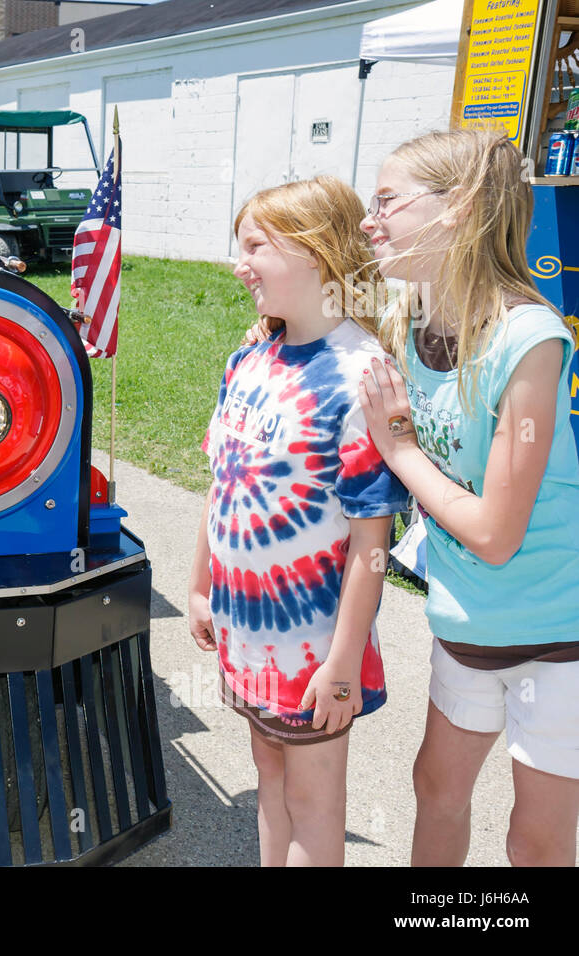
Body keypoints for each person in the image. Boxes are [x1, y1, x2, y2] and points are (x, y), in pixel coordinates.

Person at [357, 128, 579, 866]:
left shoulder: (530, 338)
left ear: (459, 210)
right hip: (468, 622)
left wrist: (402, 452)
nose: (369, 218)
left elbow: (494, 533)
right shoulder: (410, 318)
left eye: (387, 200)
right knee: (436, 791)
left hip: (556, 637)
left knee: (535, 841)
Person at [188, 176, 409, 866]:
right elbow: (219, 484)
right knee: (270, 783)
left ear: (315, 253)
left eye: (255, 244)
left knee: (316, 808)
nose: (238, 262)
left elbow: (372, 543)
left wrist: (343, 661)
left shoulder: (361, 374)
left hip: (314, 647)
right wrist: (200, 585)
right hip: (246, 633)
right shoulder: (246, 360)